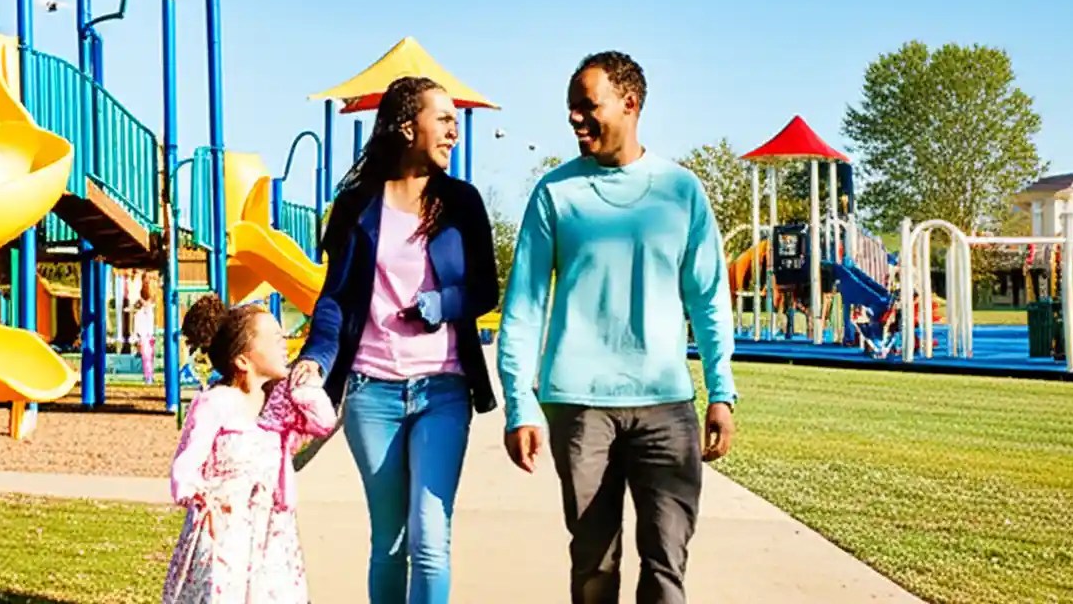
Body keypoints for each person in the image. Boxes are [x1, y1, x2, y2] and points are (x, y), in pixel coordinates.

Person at [497, 51, 738, 604]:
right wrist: (520, 404)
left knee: (666, 566)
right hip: (578, 407)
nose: (575, 118)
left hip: (666, 406)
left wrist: (722, 391)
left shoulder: (681, 191)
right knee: (594, 566)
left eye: (587, 106)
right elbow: (524, 308)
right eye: (571, 108)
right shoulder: (555, 194)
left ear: (629, 103)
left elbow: (709, 299)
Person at [293, 76, 500, 603]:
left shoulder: (462, 203)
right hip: (372, 392)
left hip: (443, 389)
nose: (454, 131)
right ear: (408, 127)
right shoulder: (357, 205)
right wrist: (315, 358)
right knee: (389, 541)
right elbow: (335, 297)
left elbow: (485, 289)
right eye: (443, 119)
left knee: (430, 537)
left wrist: (442, 304)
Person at [162, 295, 336, 603]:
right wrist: (200, 498)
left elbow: (324, 422)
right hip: (225, 529)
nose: (284, 343)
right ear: (243, 361)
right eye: (274, 337)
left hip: (272, 530)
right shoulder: (216, 402)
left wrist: (305, 385)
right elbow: (186, 464)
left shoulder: (280, 403)